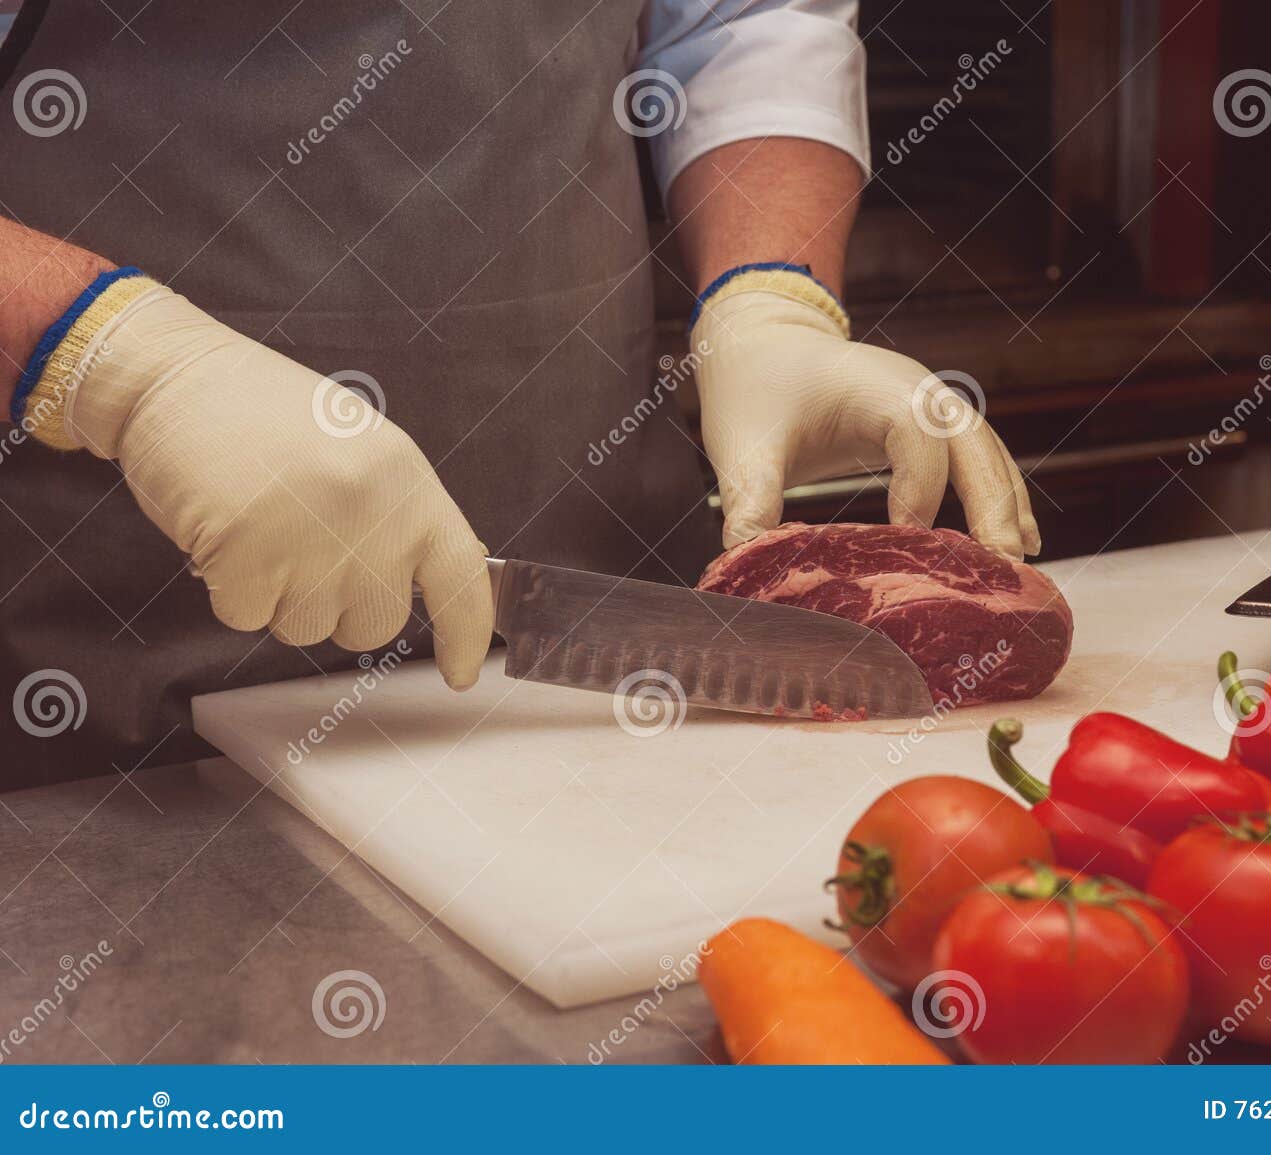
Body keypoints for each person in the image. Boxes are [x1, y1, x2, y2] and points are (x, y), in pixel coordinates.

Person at [0, 2, 1034, 785]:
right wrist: (117, 367)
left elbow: (745, 19)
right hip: (105, 699)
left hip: (591, 693)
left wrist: (770, 297)